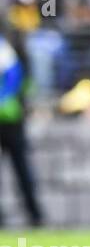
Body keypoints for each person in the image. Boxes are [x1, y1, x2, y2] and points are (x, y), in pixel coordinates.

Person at [0, 25, 44, 228]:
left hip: (12, 117)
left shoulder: (12, 43)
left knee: (22, 168)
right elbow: (25, 78)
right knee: (22, 168)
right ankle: (35, 215)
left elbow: (23, 78)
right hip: (13, 116)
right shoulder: (14, 41)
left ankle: (35, 215)